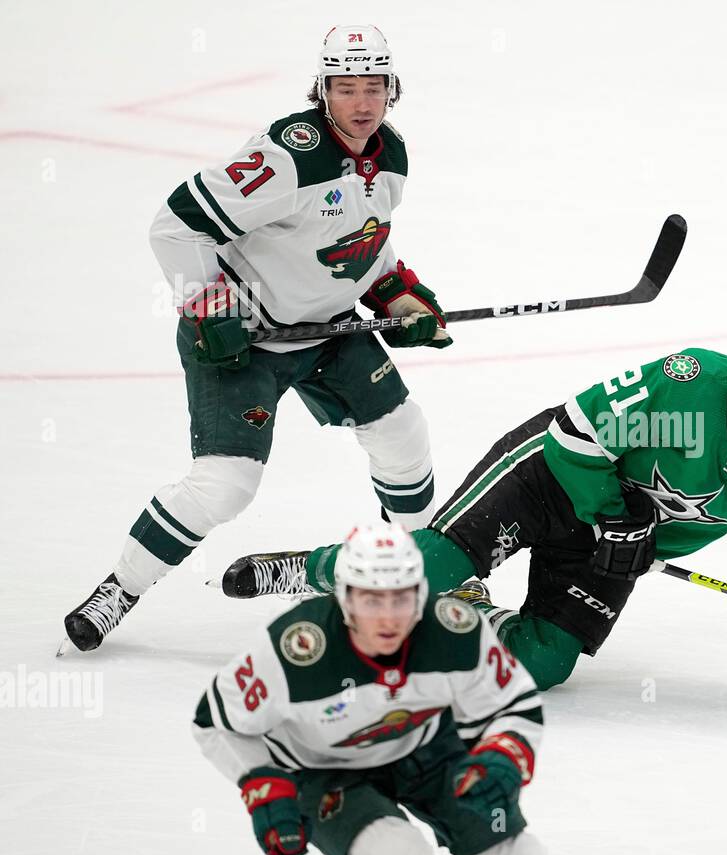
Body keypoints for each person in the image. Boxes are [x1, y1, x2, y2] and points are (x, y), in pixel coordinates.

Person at [63, 24, 450, 652]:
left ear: (391, 89)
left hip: (325, 331)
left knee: (404, 433)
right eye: (345, 87)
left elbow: (366, 240)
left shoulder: (392, 155)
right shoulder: (288, 157)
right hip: (243, 340)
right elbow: (175, 226)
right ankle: (121, 589)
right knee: (226, 486)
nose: (361, 102)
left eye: (373, 87)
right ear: (322, 90)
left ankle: (427, 571)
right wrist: (210, 304)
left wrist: (398, 294)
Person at [223, 320, 727, 690]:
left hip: (611, 546)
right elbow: (577, 429)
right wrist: (614, 512)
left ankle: (473, 614)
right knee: (426, 572)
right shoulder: (689, 383)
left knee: (541, 666)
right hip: (554, 478)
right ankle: (306, 569)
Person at [193, 522, 549, 855]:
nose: (388, 619)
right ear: (344, 598)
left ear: (422, 594)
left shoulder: (454, 629)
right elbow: (216, 721)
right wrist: (263, 783)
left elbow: (512, 703)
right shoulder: (296, 648)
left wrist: (504, 754)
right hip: (326, 769)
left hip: (426, 750)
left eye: (401, 598)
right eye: (371, 601)